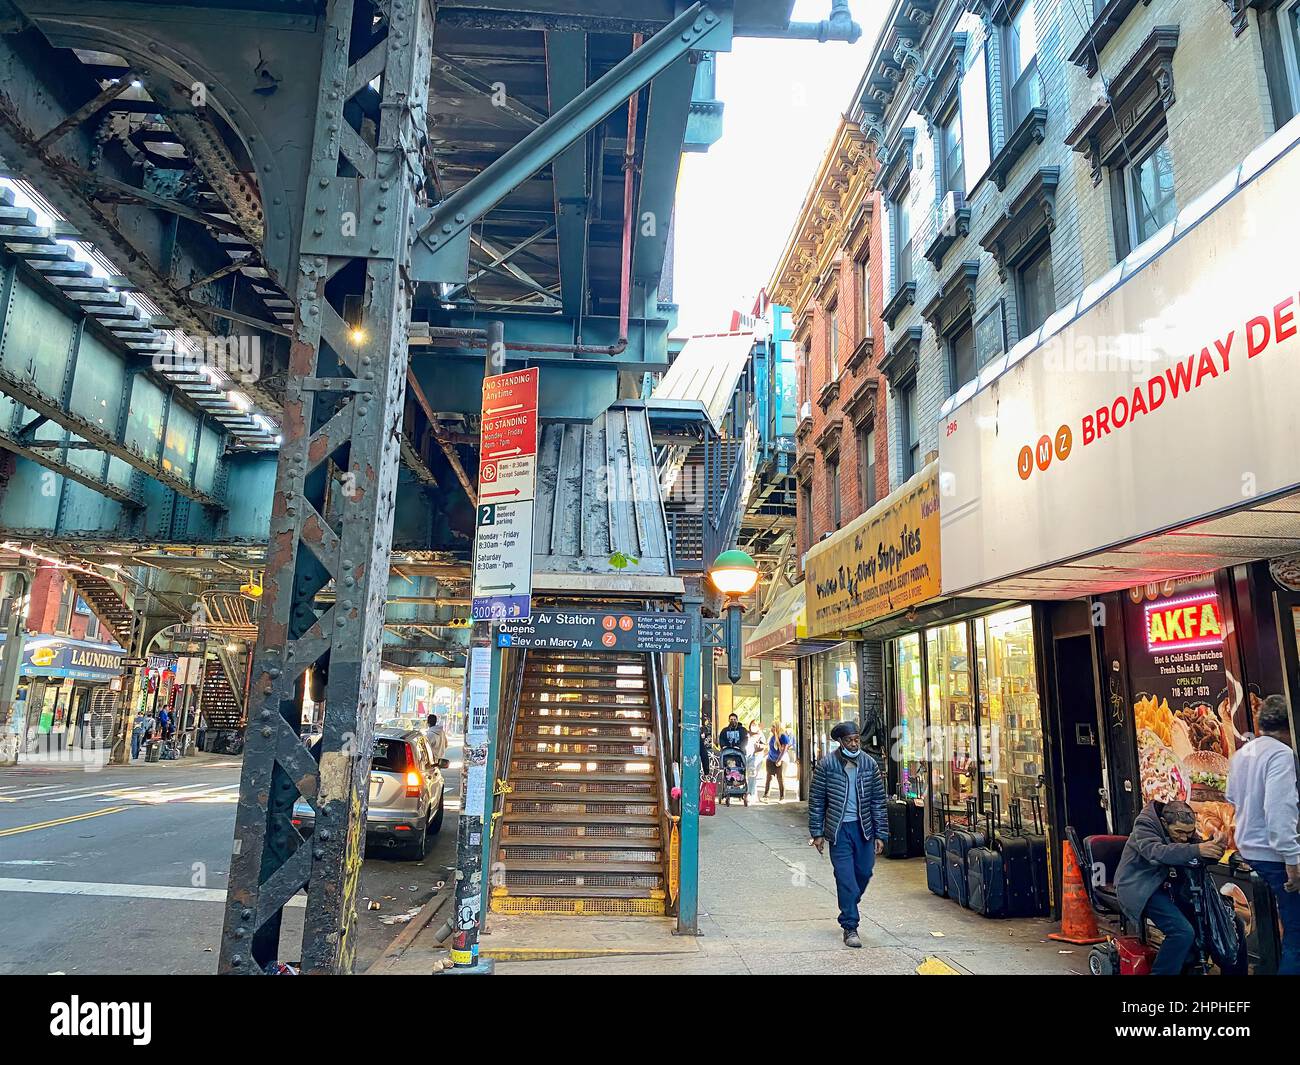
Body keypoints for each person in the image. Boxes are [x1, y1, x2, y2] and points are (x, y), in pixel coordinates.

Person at [1115, 800, 1235, 975]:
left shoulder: (1184, 832)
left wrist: (1216, 846)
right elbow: (1155, 852)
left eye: (1189, 832)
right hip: (1140, 887)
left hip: (1169, 886)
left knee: (1225, 922)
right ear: (1164, 823)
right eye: (1179, 832)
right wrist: (1197, 849)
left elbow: (1197, 852)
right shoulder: (1145, 825)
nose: (1184, 838)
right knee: (1182, 932)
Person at [1226, 694, 1300, 974]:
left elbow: (1231, 797)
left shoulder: (1243, 752)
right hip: (1276, 854)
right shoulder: (1281, 754)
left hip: (1249, 849)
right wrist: (1293, 863)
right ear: (1289, 726)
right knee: (1297, 937)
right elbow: (1280, 809)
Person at [808, 720, 888, 948]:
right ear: (840, 742)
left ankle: (850, 902)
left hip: (864, 830)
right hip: (839, 830)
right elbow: (816, 801)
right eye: (849, 740)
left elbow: (878, 802)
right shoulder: (826, 765)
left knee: (863, 873)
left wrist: (881, 833)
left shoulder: (869, 764)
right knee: (845, 878)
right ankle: (850, 926)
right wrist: (817, 832)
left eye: (856, 740)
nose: (854, 744)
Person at [764, 720, 791, 801]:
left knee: (780, 778)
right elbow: (770, 748)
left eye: (773, 726)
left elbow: (784, 748)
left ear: (778, 727)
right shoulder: (771, 736)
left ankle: (782, 796)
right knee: (769, 777)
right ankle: (766, 795)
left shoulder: (783, 736)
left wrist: (779, 760)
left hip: (781, 759)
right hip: (771, 758)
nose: (772, 728)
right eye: (771, 726)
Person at [746, 719, 764, 802]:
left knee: (752, 775)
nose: (753, 726)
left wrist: (757, 746)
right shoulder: (746, 734)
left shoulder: (760, 735)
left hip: (755, 757)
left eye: (755, 724)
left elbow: (764, 746)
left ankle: (751, 793)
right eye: (752, 724)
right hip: (745, 756)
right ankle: (746, 792)